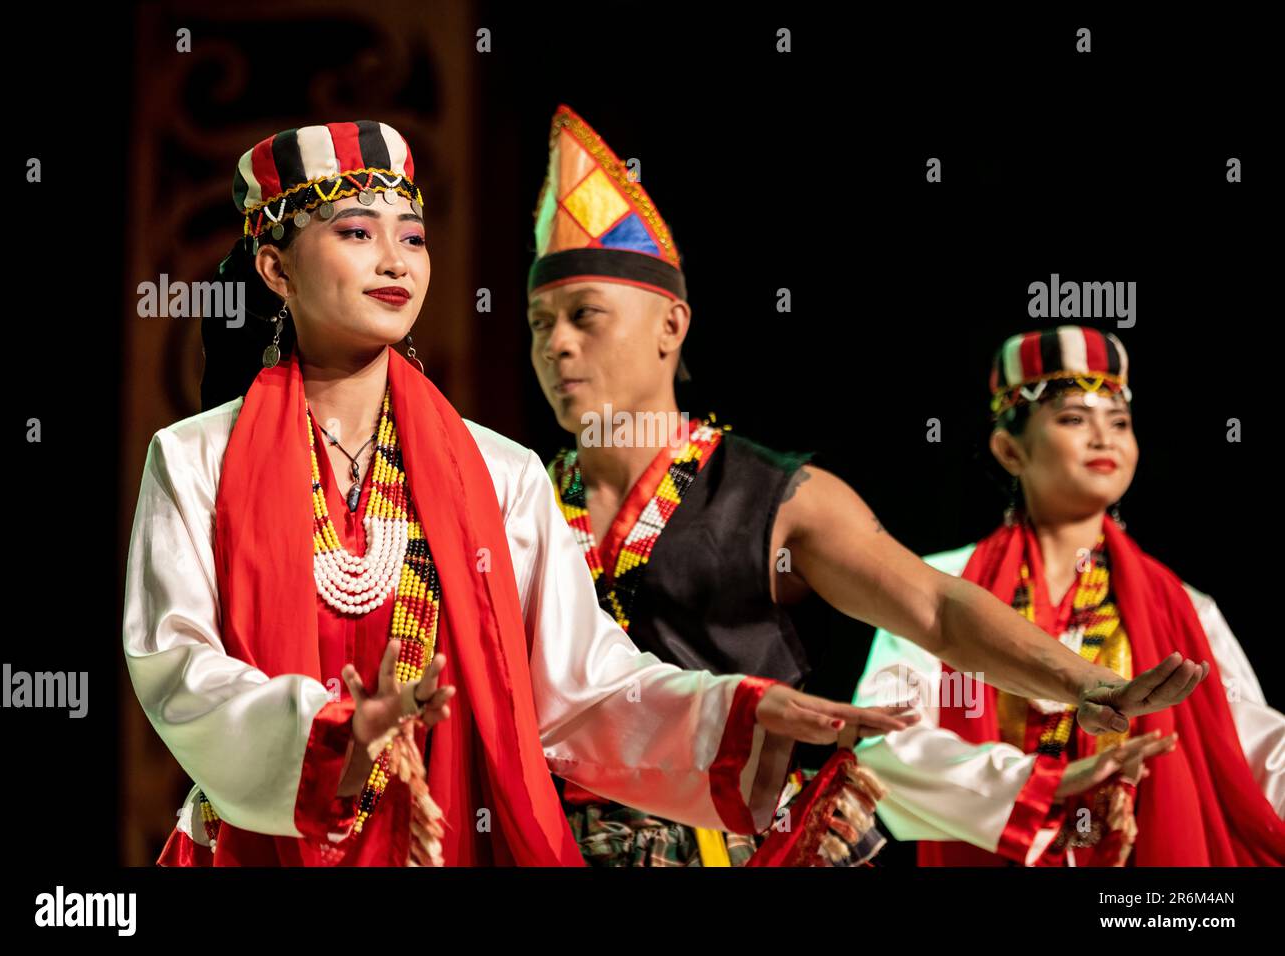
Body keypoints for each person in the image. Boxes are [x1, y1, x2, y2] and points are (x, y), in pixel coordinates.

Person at [122, 119, 920, 867]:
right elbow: (179, 668)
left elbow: (582, 688)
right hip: (265, 840)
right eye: (358, 233)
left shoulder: (498, 470)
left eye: (413, 238)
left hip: (444, 839)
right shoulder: (197, 457)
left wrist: (737, 715)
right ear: (274, 267)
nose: (396, 262)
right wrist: (331, 735)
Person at [525, 105, 1211, 866]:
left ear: (672, 325)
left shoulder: (775, 498)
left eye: (584, 315)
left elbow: (937, 608)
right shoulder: (519, 496)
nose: (556, 344)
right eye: (537, 322)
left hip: (736, 847)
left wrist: (1083, 681)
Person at [853, 326, 1285, 865]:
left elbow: (1247, 743)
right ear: (1010, 448)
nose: (1103, 438)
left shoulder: (1180, 605)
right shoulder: (942, 583)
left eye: (1120, 422)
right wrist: (1032, 785)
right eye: (1073, 418)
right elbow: (884, 736)